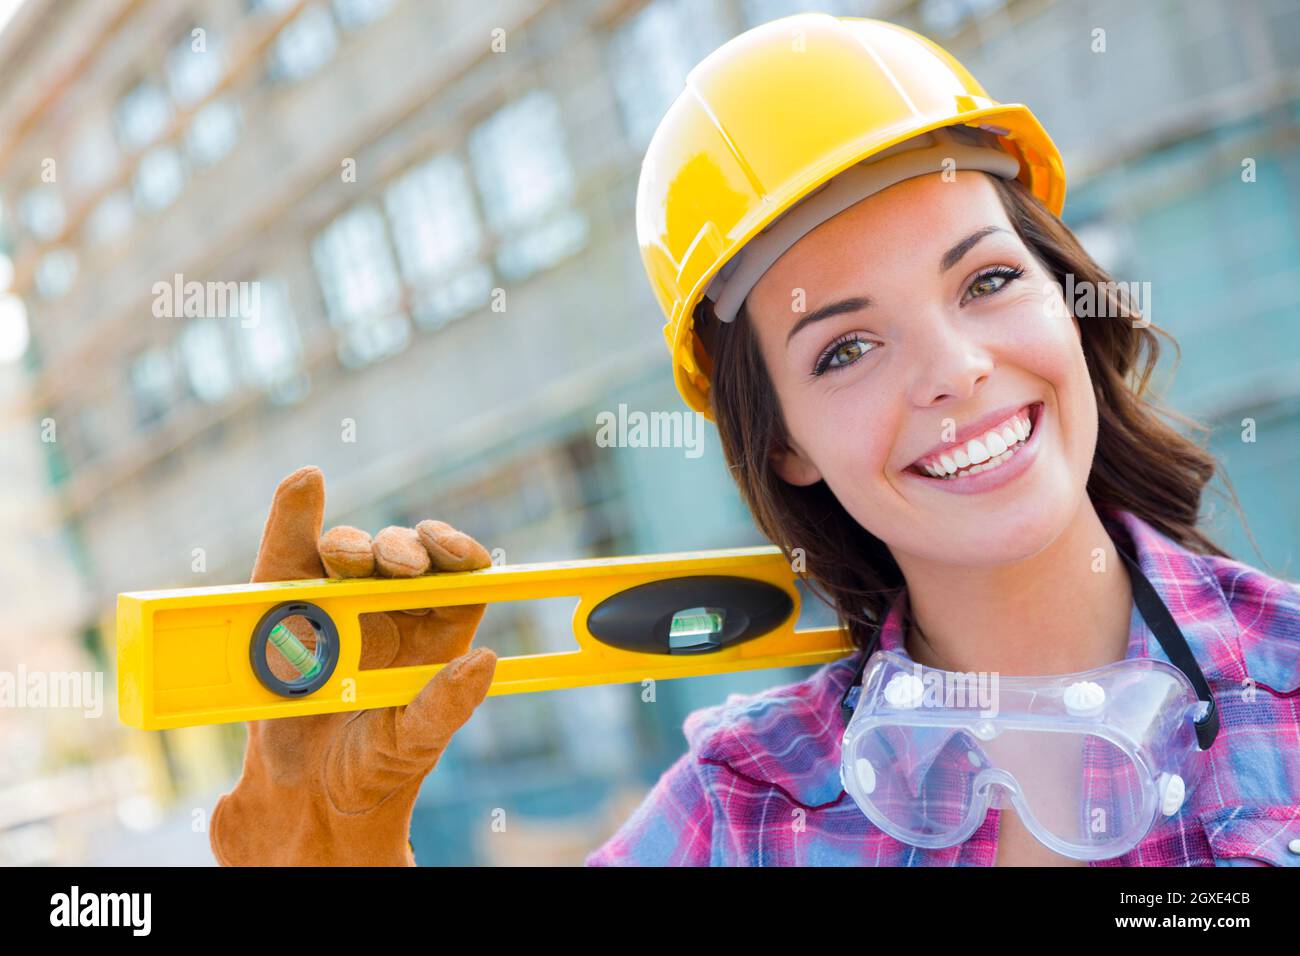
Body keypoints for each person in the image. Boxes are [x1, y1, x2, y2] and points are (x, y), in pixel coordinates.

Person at [209, 14, 1300, 867]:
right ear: (784, 444)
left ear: (1065, 298)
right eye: (844, 348)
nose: (955, 368)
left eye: (988, 279)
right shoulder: (747, 805)